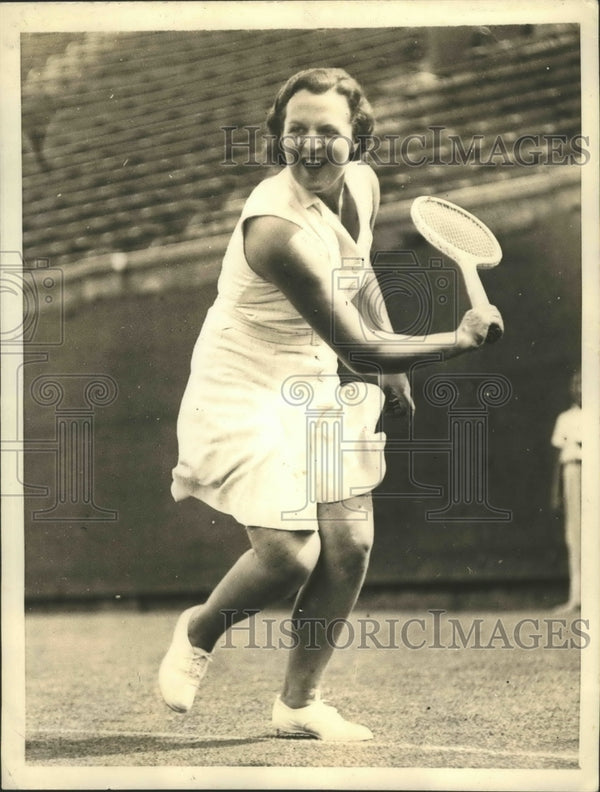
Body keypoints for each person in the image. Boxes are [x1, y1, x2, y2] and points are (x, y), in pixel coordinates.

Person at [159, 67, 503, 741]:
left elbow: (359, 270)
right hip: (243, 389)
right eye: (297, 131)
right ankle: (200, 629)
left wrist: (394, 362)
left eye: (328, 132)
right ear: (277, 138)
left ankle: (298, 704)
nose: (311, 146)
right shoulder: (274, 229)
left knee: (350, 543)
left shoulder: (363, 187)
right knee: (290, 555)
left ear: (358, 138)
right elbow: (361, 350)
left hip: (314, 380)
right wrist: (449, 343)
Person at [550, 369, 582, 612]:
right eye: (576, 383)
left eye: (583, 383)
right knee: (575, 535)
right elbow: (560, 459)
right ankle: (577, 597)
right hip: (574, 473)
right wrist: (557, 491)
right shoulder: (566, 418)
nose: (579, 388)